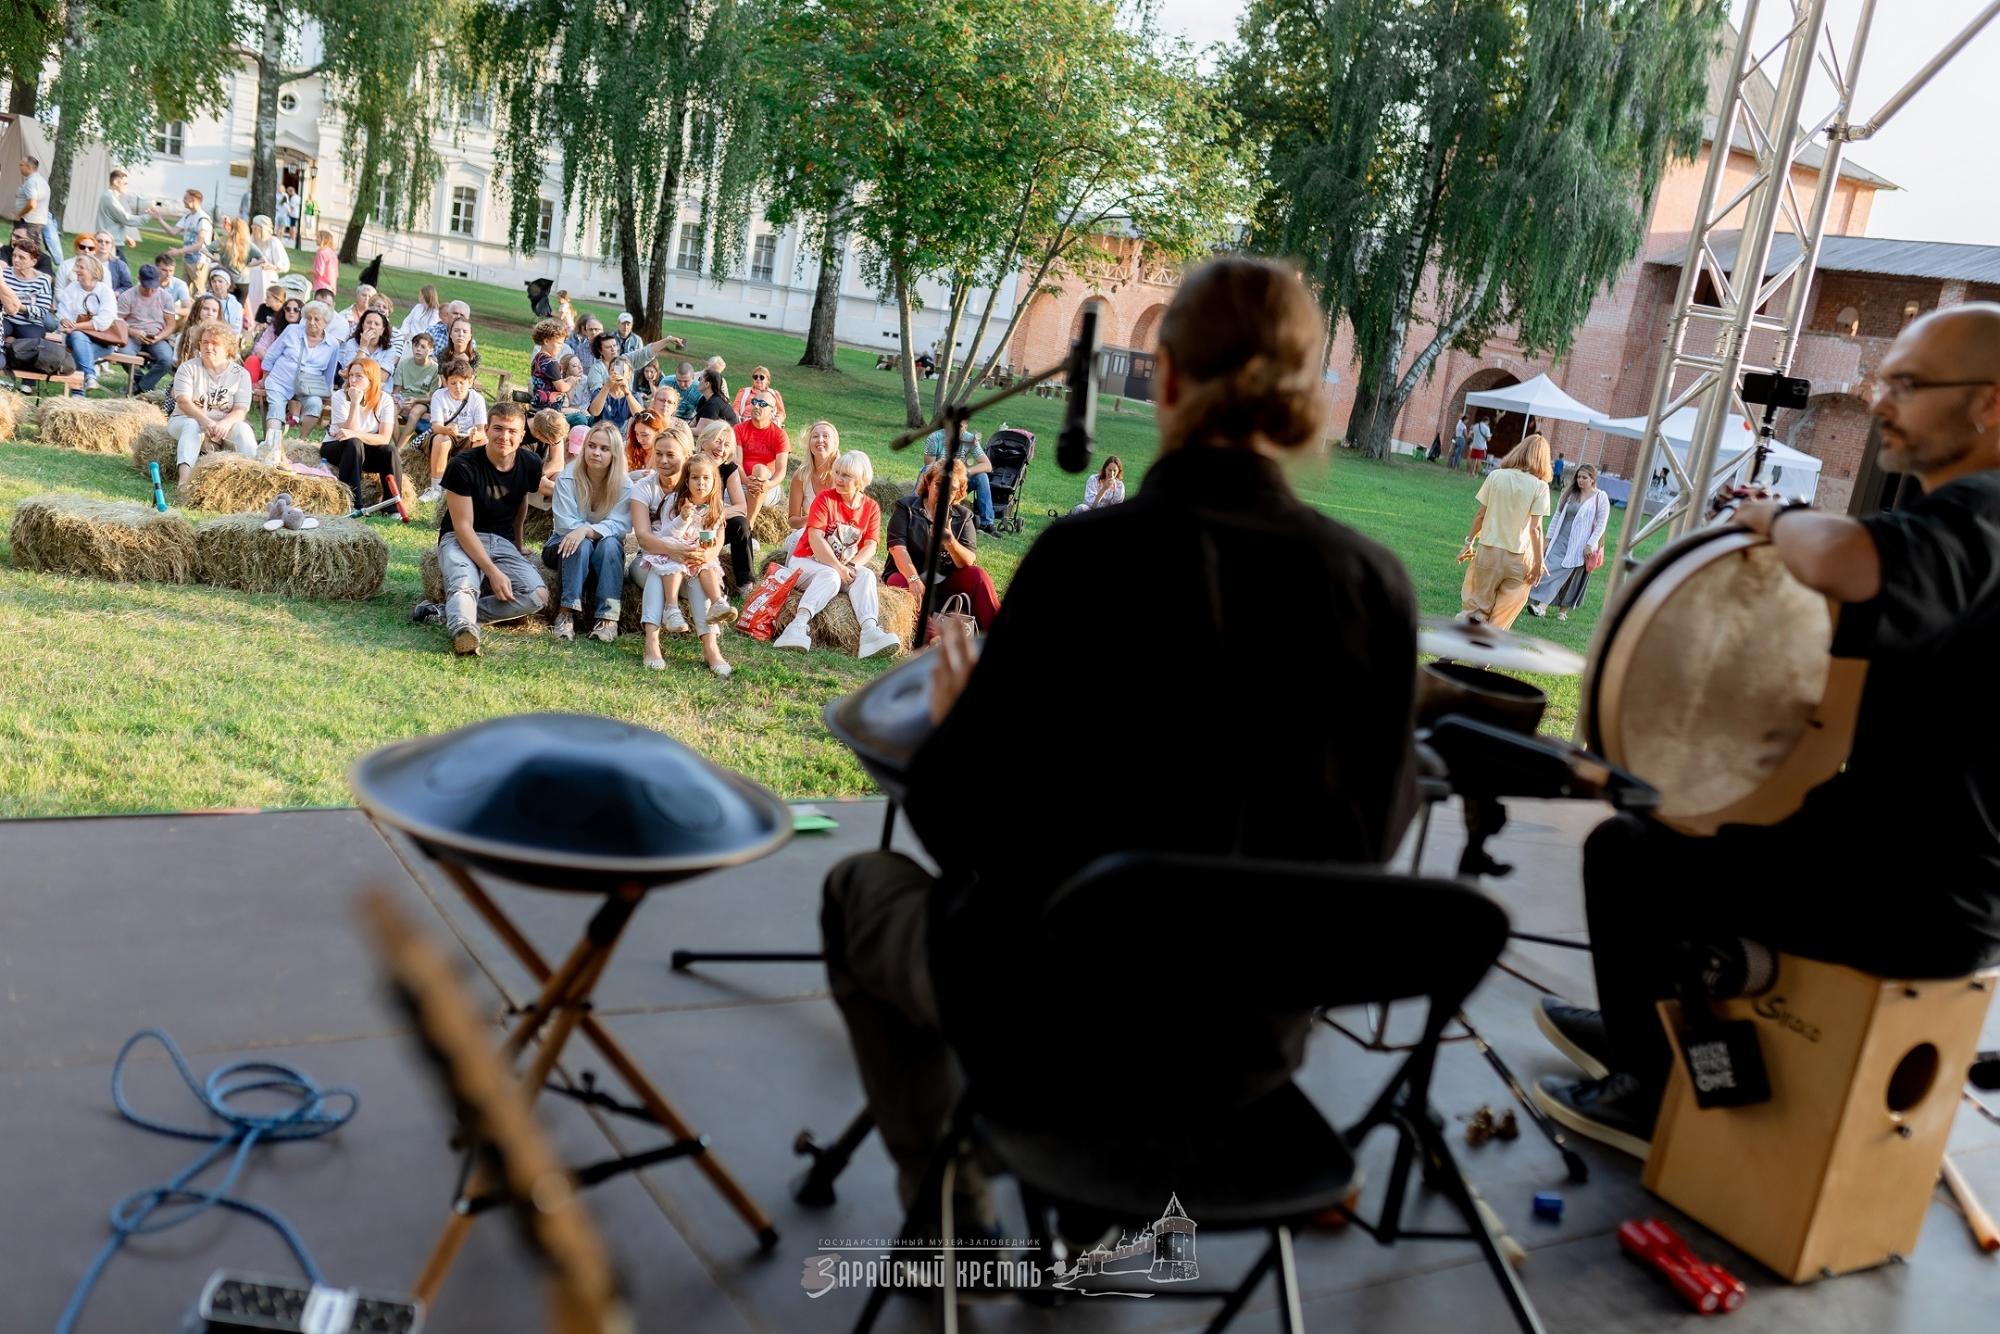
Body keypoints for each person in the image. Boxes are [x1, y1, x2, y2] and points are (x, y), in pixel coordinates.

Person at [817, 256, 1419, 1224]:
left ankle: (951, 1222)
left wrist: (957, 722)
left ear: (1169, 379)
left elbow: (959, 825)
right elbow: (1363, 845)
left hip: (1059, 1039)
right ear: (1305, 401)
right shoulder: (1376, 585)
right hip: (1244, 1055)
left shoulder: (1084, 563)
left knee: (856, 889)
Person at [1533, 303, 2000, 1158]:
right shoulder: (1970, 530)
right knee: (1687, 823)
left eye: (1905, 382)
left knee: (1632, 853)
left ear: (1990, 407)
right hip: (1908, 860)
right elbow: (1870, 618)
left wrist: (1776, 522)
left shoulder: (1987, 510)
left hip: (1918, 894)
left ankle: (1653, 1086)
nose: (1881, 397)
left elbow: (1853, 561)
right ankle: (1649, 1026)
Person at [413, 402, 547, 656]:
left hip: (502, 541)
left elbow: (520, 505)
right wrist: (493, 572)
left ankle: (444, 613)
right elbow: (463, 527)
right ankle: (465, 631)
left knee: (536, 595)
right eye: (498, 428)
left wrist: (517, 546)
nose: (504, 436)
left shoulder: (531, 463)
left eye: (511, 431)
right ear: (486, 429)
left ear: (521, 436)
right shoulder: (463, 466)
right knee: (465, 583)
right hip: (459, 539)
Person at [772, 449, 898, 658]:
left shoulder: (871, 507)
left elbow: (870, 546)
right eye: (837, 472)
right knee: (829, 575)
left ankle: (869, 632)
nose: (838, 478)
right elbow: (816, 539)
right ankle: (797, 625)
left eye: (846, 475)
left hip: (840, 567)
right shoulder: (825, 499)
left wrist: (852, 566)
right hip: (806, 562)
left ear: (860, 480)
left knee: (865, 575)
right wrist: (839, 568)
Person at [631, 453, 737, 676]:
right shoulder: (674, 501)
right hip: (660, 556)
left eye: (706, 479)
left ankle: (711, 647)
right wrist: (684, 519)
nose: (701, 483)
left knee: (702, 575)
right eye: (695, 478)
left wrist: (705, 555)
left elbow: (716, 540)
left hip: (693, 560)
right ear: (686, 480)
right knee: (659, 572)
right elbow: (662, 535)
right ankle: (654, 639)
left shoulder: (715, 506)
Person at [885, 459, 1001, 633]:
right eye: (939, 485)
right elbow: (897, 548)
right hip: (908, 574)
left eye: (952, 489)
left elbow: (967, 560)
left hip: (945, 579)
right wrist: (913, 579)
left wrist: (950, 541)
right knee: (898, 582)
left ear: (959, 492)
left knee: (978, 575)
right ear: (929, 483)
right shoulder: (906, 507)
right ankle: (932, 636)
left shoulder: (963, 516)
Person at [545, 422, 634, 642]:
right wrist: (583, 533)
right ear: (584, 448)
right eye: (591, 446)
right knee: (580, 543)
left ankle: (608, 618)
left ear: (614, 454)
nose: (596, 453)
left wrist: (587, 529)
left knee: (611, 543)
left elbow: (621, 525)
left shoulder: (624, 484)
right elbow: (565, 524)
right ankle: (566, 612)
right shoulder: (567, 477)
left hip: (604, 552)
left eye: (604, 449)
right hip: (561, 544)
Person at [1460, 435, 1552, 629]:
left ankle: (1451, 650)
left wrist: (1468, 543)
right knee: (1503, 615)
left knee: (1475, 607)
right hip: (1519, 558)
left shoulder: (1496, 476)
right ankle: (1482, 656)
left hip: (1488, 551)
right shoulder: (1540, 487)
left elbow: (1480, 515)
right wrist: (1538, 563)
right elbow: (1535, 528)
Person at [167, 319, 257, 486]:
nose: (208, 347)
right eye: (205, 342)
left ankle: (252, 480)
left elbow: (240, 409)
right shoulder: (188, 368)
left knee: (243, 429)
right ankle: (184, 483)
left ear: (227, 348)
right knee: (191, 426)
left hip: (223, 424)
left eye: (215, 343)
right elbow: (183, 401)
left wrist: (224, 423)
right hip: (185, 419)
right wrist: (206, 421)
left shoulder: (241, 374)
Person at [1527, 463, 1609, 621]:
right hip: (1560, 539)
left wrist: (1590, 544)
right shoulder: (1570, 494)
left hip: (1579, 545)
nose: (1580, 480)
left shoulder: (1600, 497)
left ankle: (1542, 607)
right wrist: (1548, 540)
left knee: (1562, 573)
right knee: (1547, 569)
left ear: (1593, 479)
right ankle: (1530, 598)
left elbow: (1601, 524)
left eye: (1584, 477)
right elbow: (1557, 517)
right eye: (1578, 477)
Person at [320, 358, 402, 511]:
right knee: (354, 443)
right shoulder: (340, 396)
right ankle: (353, 502)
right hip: (336, 446)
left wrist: (355, 434)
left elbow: (384, 438)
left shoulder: (385, 400)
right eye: (351, 375)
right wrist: (355, 402)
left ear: (371, 379)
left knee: (390, 450)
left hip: (365, 449)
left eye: (359, 376)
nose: (352, 380)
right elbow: (348, 433)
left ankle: (392, 506)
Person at [260, 299, 339, 455]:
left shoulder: (333, 344)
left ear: (326, 322)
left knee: (315, 404)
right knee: (276, 407)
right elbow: (271, 354)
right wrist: (265, 377)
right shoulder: (292, 331)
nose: (312, 322)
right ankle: (272, 447)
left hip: (308, 385)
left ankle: (299, 443)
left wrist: (325, 392)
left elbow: (330, 371)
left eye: (317, 319)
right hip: (280, 381)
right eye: (308, 318)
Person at [695, 418, 755, 596]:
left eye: (727, 444)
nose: (721, 448)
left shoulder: (729, 469)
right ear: (704, 441)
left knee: (741, 524)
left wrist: (716, 513)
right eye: (718, 441)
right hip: (688, 525)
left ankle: (745, 583)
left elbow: (741, 507)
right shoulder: (690, 463)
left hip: (713, 525)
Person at [417, 356, 488, 503]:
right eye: (453, 383)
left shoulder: (477, 399)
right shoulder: (439, 395)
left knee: (483, 443)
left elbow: (482, 429)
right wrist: (446, 429)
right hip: (445, 434)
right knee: (442, 440)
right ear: (446, 382)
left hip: (467, 437)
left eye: (462, 382)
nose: (458, 387)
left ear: (470, 382)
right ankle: (436, 488)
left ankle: (475, 486)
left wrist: (476, 434)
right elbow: (436, 427)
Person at [55, 253, 118, 393]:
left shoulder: (105, 291)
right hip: (74, 337)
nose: (76, 270)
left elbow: (104, 321)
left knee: (79, 350)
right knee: (78, 337)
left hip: (102, 341)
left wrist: (76, 326)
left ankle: (79, 394)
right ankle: (90, 376)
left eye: (81, 267)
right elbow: (62, 312)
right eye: (76, 266)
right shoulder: (71, 288)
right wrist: (64, 320)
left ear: (93, 271)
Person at [115, 263, 178, 393]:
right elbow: (117, 321)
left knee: (166, 359)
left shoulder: (165, 297)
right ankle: (144, 384)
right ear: (139, 279)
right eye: (146, 287)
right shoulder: (127, 296)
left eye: (153, 287)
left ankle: (139, 387)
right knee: (124, 354)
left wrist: (158, 337)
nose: (149, 291)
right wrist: (133, 331)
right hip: (132, 335)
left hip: (156, 336)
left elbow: (171, 324)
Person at [922, 426, 997, 531]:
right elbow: (929, 467)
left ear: (966, 426)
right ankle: (917, 508)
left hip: (959, 481)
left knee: (982, 477)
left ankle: (987, 524)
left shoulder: (970, 439)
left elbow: (987, 465)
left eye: (960, 426)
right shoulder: (934, 438)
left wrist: (965, 472)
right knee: (925, 470)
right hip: (939, 480)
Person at [731, 393, 787, 528]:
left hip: (768, 487)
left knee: (760, 470)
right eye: (754, 401)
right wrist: (747, 481)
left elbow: (781, 470)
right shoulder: (739, 429)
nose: (756, 406)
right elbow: (737, 461)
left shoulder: (779, 435)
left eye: (762, 404)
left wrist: (768, 484)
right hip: (742, 481)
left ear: (773, 411)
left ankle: (748, 525)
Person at [786, 419, 842, 552]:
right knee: (799, 538)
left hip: (836, 537)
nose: (820, 440)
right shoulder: (801, 475)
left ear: (835, 443)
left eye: (825, 436)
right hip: (806, 533)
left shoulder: (844, 476)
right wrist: (812, 519)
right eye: (815, 436)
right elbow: (792, 520)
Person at [150, 189, 213, 290]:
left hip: (199, 263)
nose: (183, 200)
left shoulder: (203, 219)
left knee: (199, 293)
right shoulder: (187, 217)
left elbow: (199, 245)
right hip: (187, 261)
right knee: (183, 291)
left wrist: (179, 251)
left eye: (185, 198)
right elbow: (173, 231)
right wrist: (159, 219)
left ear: (193, 200)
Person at [392, 330, 440, 446]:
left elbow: (433, 396)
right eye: (416, 345)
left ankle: (397, 450)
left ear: (431, 350)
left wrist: (416, 400)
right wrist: (399, 400)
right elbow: (397, 391)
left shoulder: (434, 369)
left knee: (414, 412)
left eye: (423, 347)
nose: (418, 349)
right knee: (391, 411)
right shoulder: (404, 364)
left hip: (422, 400)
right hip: (404, 398)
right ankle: (399, 449)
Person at [14, 155, 58, 263]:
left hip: (29, 221)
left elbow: (32, 203)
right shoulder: (41, 181)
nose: (19, 167)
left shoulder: (31, 182)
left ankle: (36, 269)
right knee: (34, 247)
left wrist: (20, 214)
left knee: (26, 248)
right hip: (37, 220)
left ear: (29, 167)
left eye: (21, 165)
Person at [96, 169, 145, 260]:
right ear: (116, 182)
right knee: (122, 272)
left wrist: (126, 237)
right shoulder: (109, 198)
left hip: (113, 242)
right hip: (111, 244)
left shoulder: (110, 197)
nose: (126, 187)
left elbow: (111, 221)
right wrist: (148, 216)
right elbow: (125, 218)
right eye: (125, 184)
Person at [530, 317, 575, 414]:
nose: (561, 347)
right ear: (546, 341)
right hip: (549, 410)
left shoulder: (538, 359)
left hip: (538, 405)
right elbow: (562, 388)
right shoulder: (550, 363)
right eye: (558, 343)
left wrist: (564, 381)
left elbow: (549, 381)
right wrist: (571, 382)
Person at [245, 215, 288, 317]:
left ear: (262, 229)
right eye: (252, 228)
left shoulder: (273, 242)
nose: (253, 231)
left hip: (267, 280)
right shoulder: (250, 241)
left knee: (265, 305)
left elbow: (284, 264)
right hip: (251, 279)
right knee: (250, 306)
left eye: (256, 228)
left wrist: (272, 266)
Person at [338, 307, 398, 379]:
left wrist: (358, 375)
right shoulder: (352, 343)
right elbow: (350, 372)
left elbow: (382, 377)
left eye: (377, 324)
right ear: (363, 326)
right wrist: (362, 348)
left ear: (382, 330)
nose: (372, 326)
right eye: (369, 322)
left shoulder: (390, 349)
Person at [174, 294, 226, 367]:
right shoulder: (184, 337)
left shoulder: (225, 338)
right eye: (205, 309)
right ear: (197, 310)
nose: (210, 313)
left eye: (214, 310)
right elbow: (178, 362)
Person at [590, 356, 641, 428]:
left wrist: (627, 392)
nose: (617, 374)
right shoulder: (599, 392)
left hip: (623, 437)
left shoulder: (634, 396)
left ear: (629, 374)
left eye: (622, 371)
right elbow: (594, 412)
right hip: (601, 433)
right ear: (608, 372)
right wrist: (606, 387)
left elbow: (640, 417)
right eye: (613, 370)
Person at [624, 407, 667, 475]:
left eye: (644, 435)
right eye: (636, 434)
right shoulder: (630, 449)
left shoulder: (667, 454)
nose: (639, 440)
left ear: (658, 432)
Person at [400, 284, 442, 350]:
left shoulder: (434, 313)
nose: (419, 296)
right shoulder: (418, 307)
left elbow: (429, 330)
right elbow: (407, 321)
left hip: (420, 342)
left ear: (425, 296)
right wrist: (405, 333)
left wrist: (414, 337)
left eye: (421, 295)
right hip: (407, 338)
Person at [205, 268, 244, 333]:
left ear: (228, 285)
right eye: (214, 281)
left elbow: (236, 328)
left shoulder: (236, 305)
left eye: (220, 281)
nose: (216, 284)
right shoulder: (204, 300)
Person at [310, 230, 338, 299]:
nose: (316, 239)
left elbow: (319, 272)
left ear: (324, 240)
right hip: (331, 287)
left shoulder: (321, 253)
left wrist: (310, 272)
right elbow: (336, 273)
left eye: (318, 237)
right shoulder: (333, 253)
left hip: (321, 287)